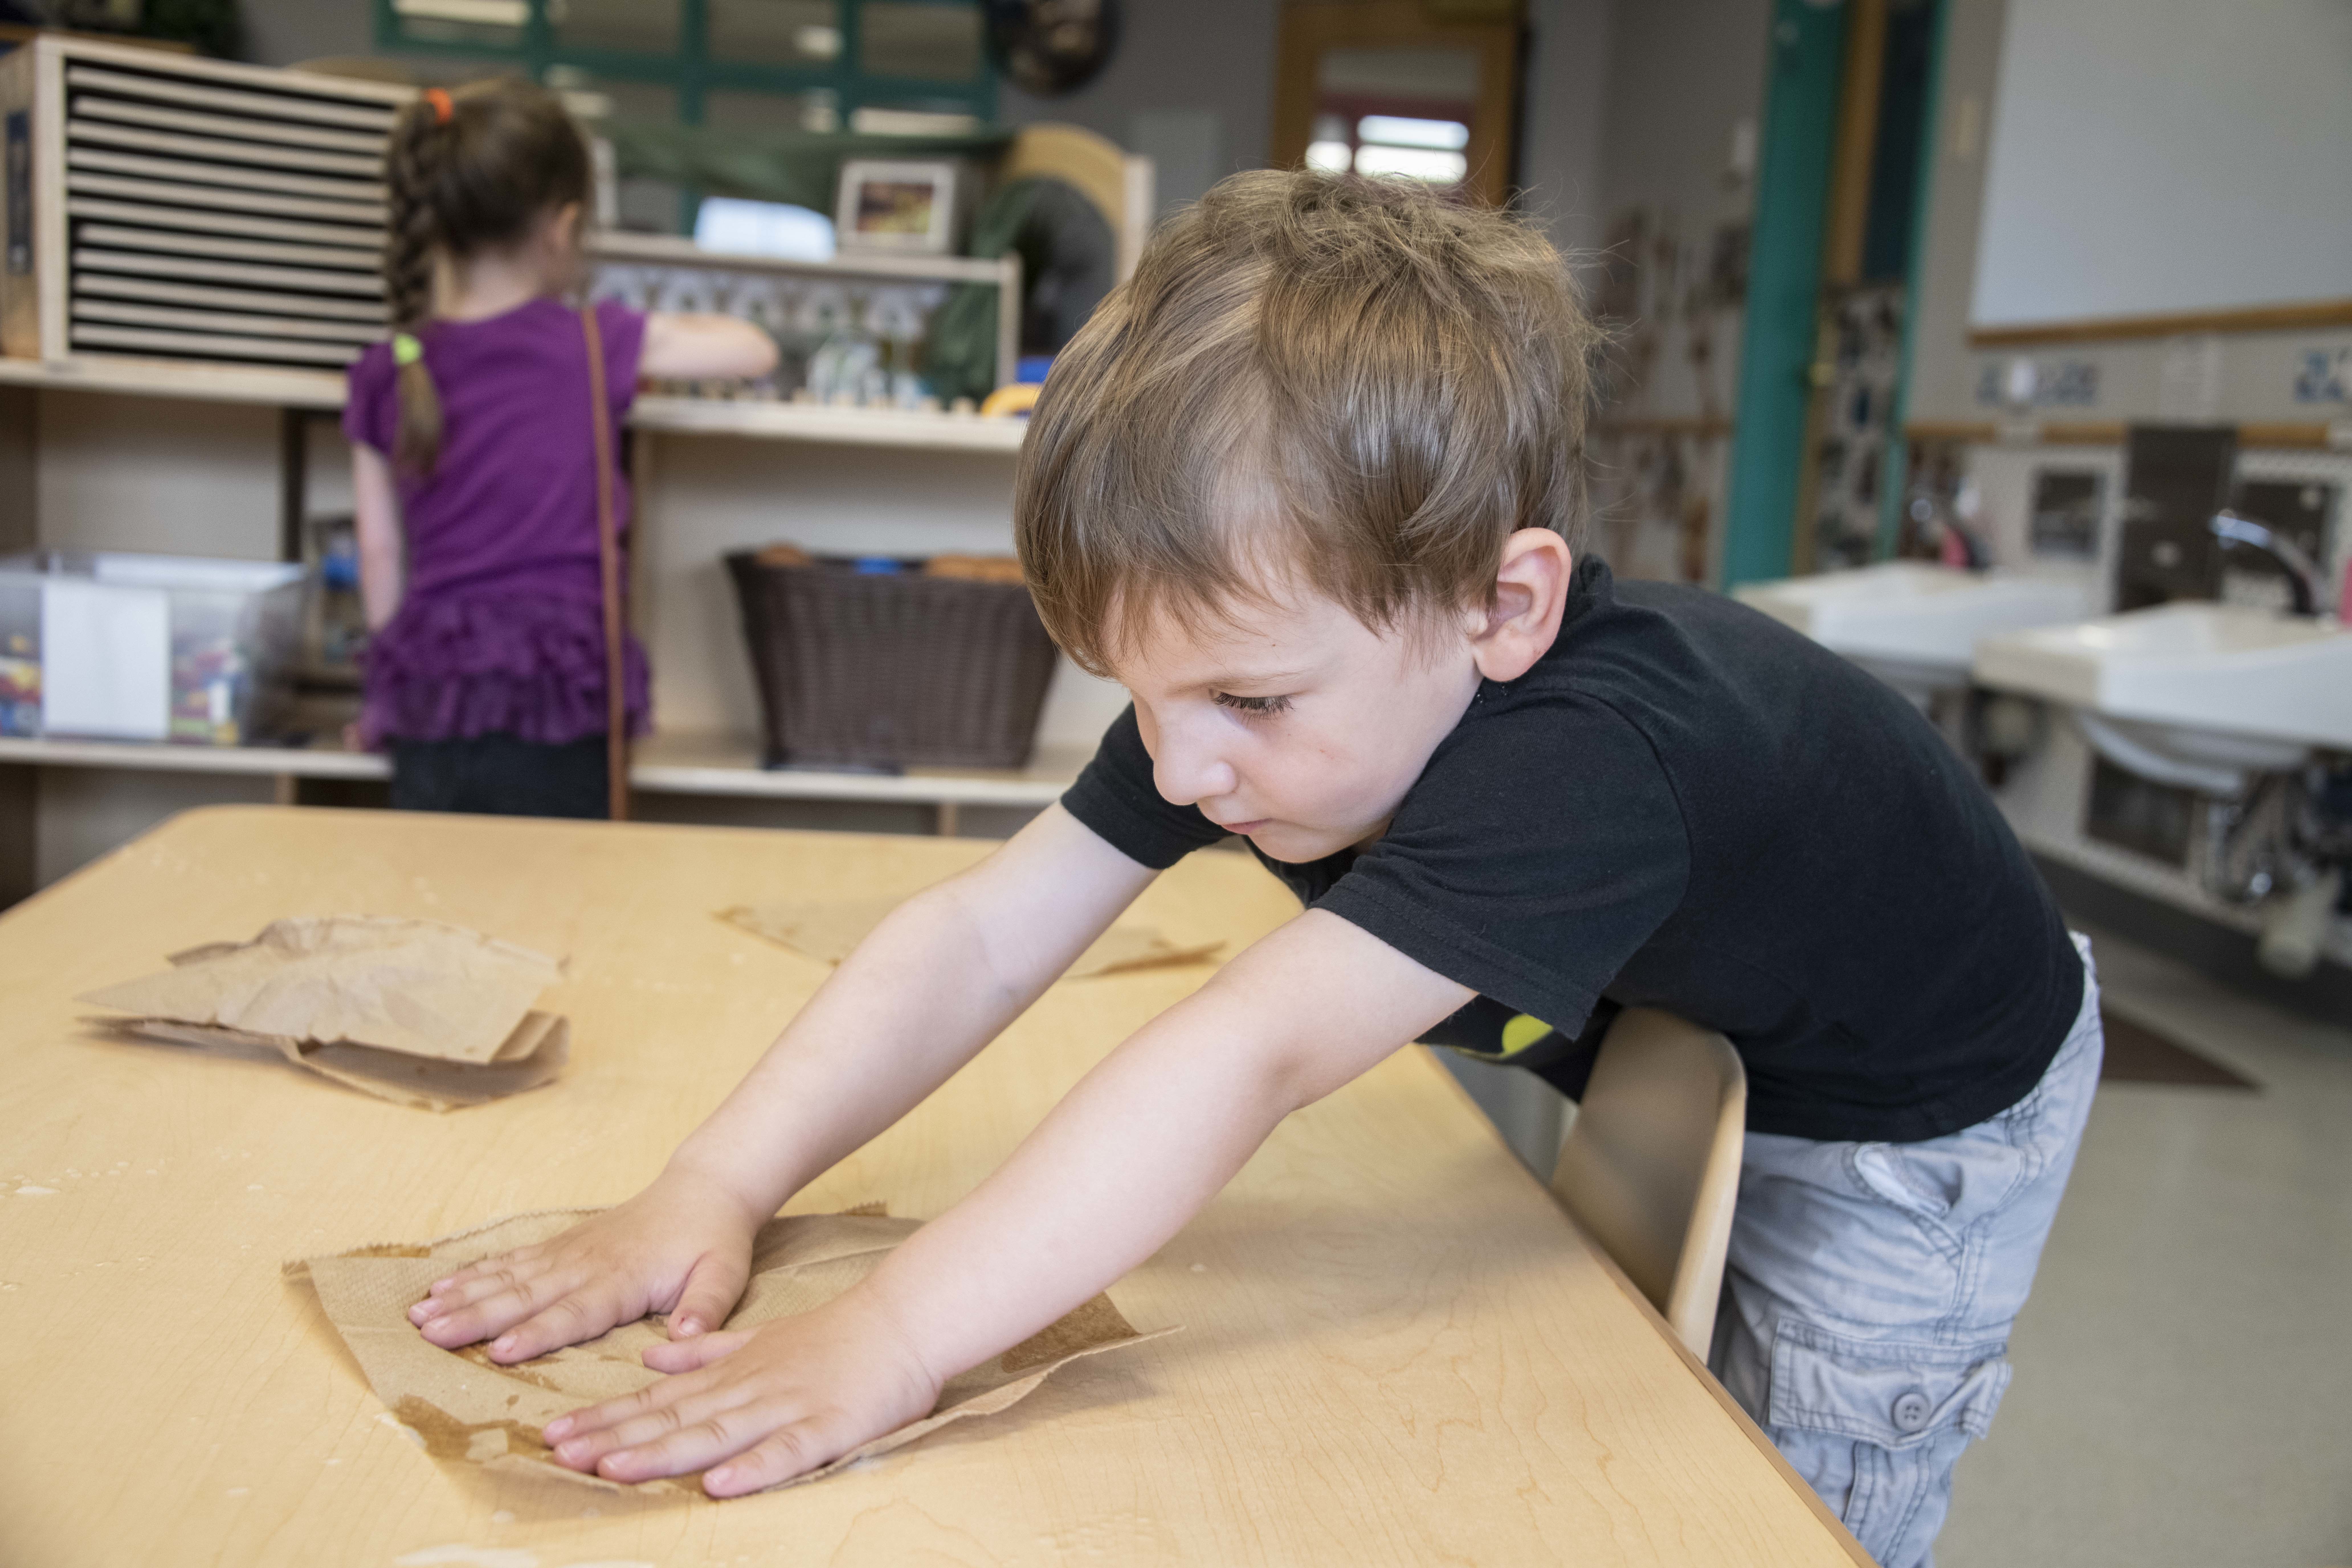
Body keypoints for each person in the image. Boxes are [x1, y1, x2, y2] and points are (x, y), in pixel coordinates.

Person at [404, 171, 2099, 1567]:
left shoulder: (1591, 762)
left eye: (1248, 701)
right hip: (1733, 1013)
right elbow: (987, 938)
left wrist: (898, 1337)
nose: (1186, 762)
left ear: (1500, 608)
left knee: (1782, 1501)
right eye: (1145, 696)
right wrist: (714, 1185)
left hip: (1918, 1121)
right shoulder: (1253, 683)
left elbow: (1245, 1055)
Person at [345, 80, 776, 817]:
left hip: (436, 687)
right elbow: (754, 350)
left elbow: (380, 554)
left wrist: (383, 698)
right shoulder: (590, 341)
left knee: (432, 899)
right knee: (560, 899)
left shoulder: (389, 365)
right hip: (560, 684)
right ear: (562, 226)